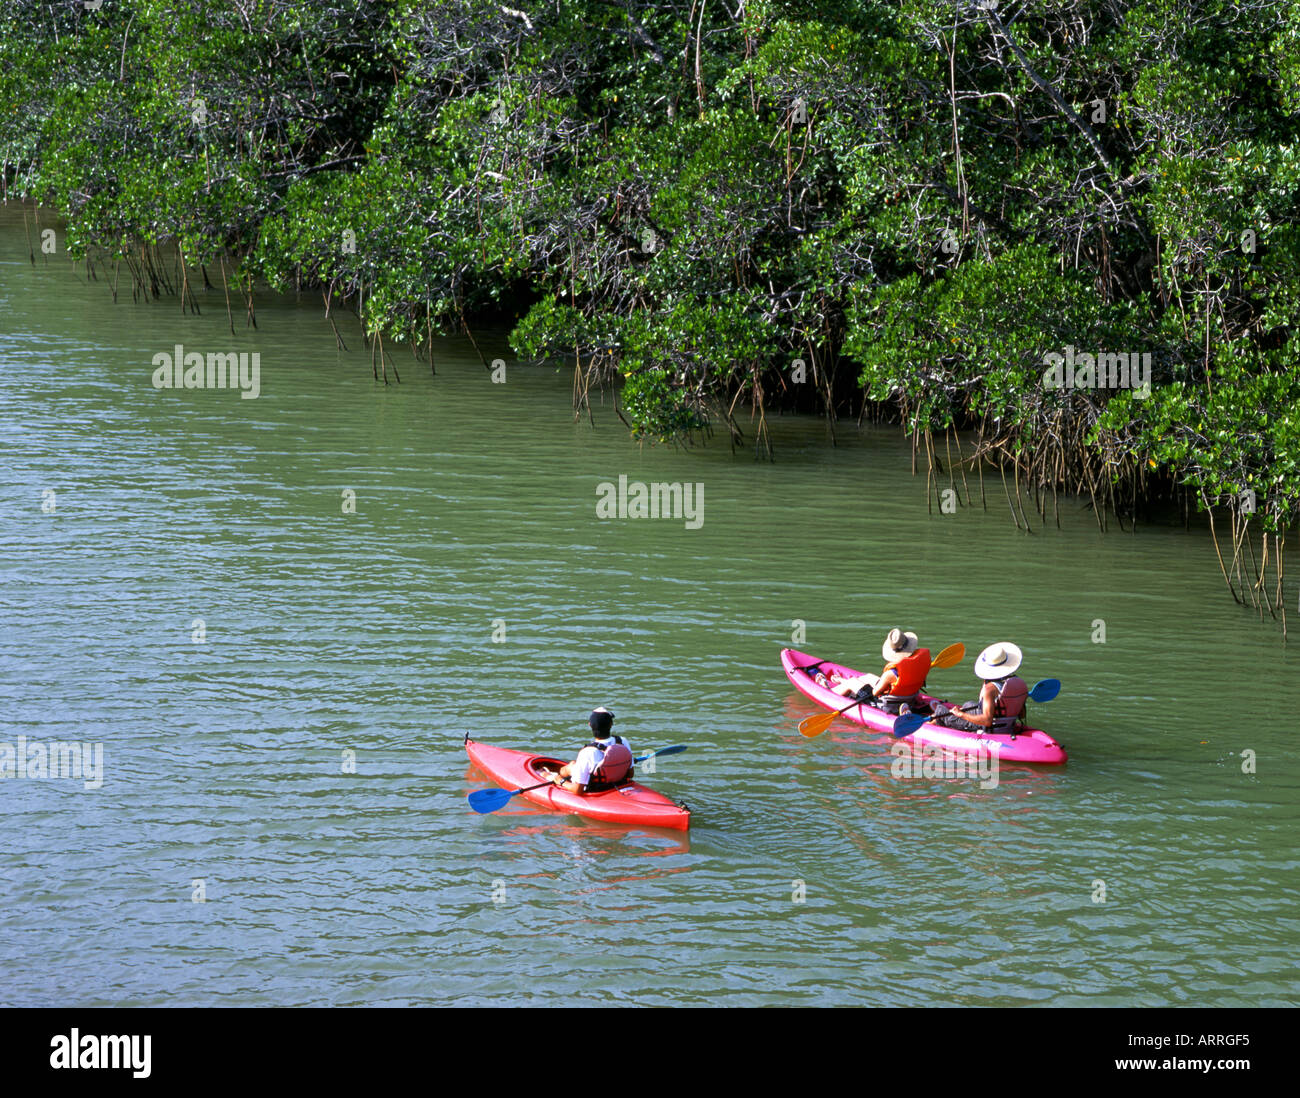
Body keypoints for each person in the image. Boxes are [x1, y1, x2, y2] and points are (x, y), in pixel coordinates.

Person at [814, 628, 932, 714]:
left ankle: (828, 690)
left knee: (853, 682)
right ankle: (843, 682)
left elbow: (875, 693)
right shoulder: (921, 664)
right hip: (909, 699)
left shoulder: (890, 674)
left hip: (887, 706)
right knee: (869, 677)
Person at [931, 642, 1029, 735]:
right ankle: (938, 721)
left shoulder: (989, 689)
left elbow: (987, 721)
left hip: (990, 729)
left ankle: (930, 725)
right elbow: (1022, 715)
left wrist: (961, 714)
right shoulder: (1017, 683)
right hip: (1008, 726)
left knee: (940, 711)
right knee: (968, 704)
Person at [549, 707, 634, 794]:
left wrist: (560, 781)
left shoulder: (587, 752)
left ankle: (550, 775)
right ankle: (560, 772)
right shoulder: (622, 741)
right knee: (572, 765)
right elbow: (630, 774)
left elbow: (578, 790)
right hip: (619, 783)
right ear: (611, 724)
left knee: (570, 767)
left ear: (590, 725)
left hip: (597, 789)